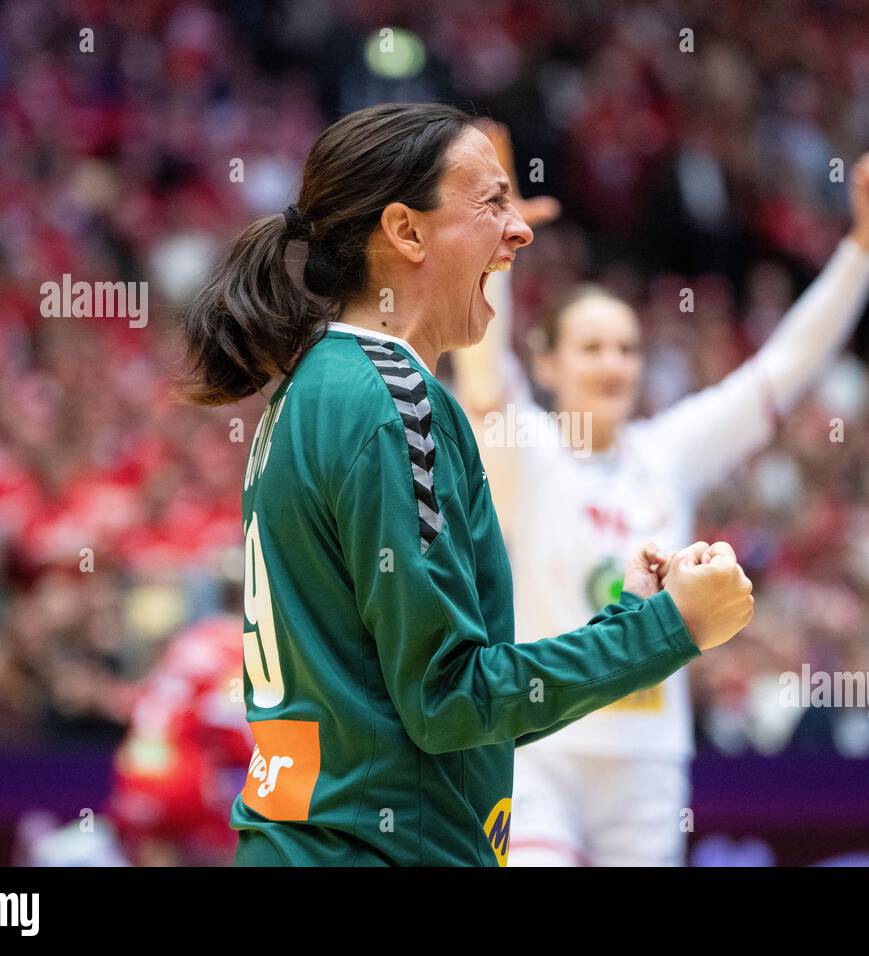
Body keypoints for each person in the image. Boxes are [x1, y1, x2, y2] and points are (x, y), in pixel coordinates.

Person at [179, 102, 754, 866]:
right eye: (491, 204)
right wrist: (667, 630)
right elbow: (449, 699)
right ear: (405, 231)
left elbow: (408, 674)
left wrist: (629, 618)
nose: (519, 231)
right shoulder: (395, 400)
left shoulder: (310, 388)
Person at [454, 123, 869, 865]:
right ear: (547, 364)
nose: (615, 363)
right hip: (539, 750)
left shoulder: (669, 455)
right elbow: (481, 364)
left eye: (628, 348)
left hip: (646, 762)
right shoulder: (523, 451)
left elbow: (784, 368)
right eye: (593, 347)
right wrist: (495, 242)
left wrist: (864, 249)